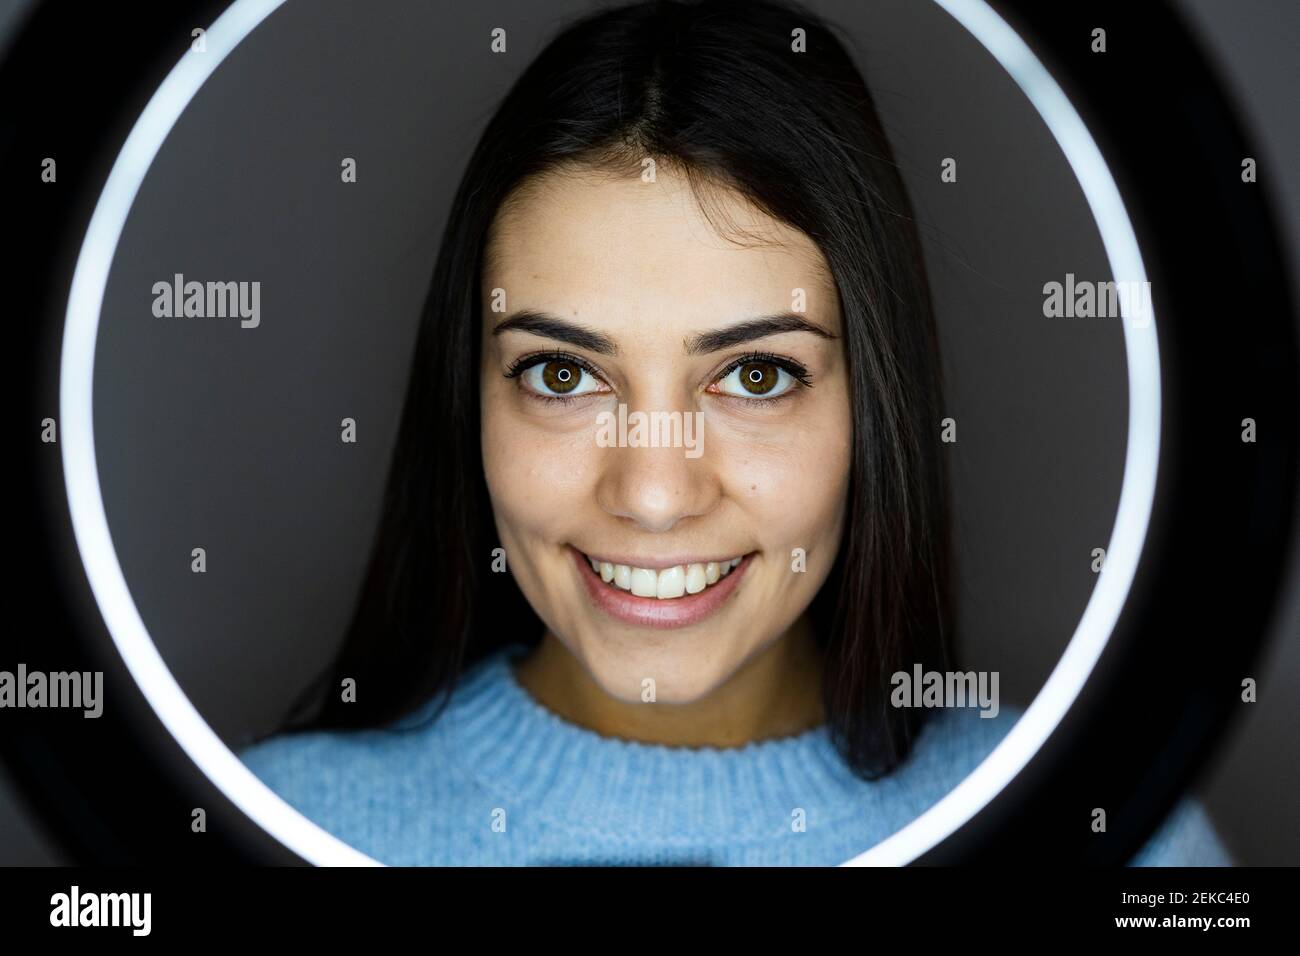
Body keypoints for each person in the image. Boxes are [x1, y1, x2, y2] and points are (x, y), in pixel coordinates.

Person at [238, 0, 1232, 866]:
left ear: (872, 405)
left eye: (755, 375)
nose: (655, 492)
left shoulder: (1108, 836)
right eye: (563, 373)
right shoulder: (270, 826)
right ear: (470, 403)